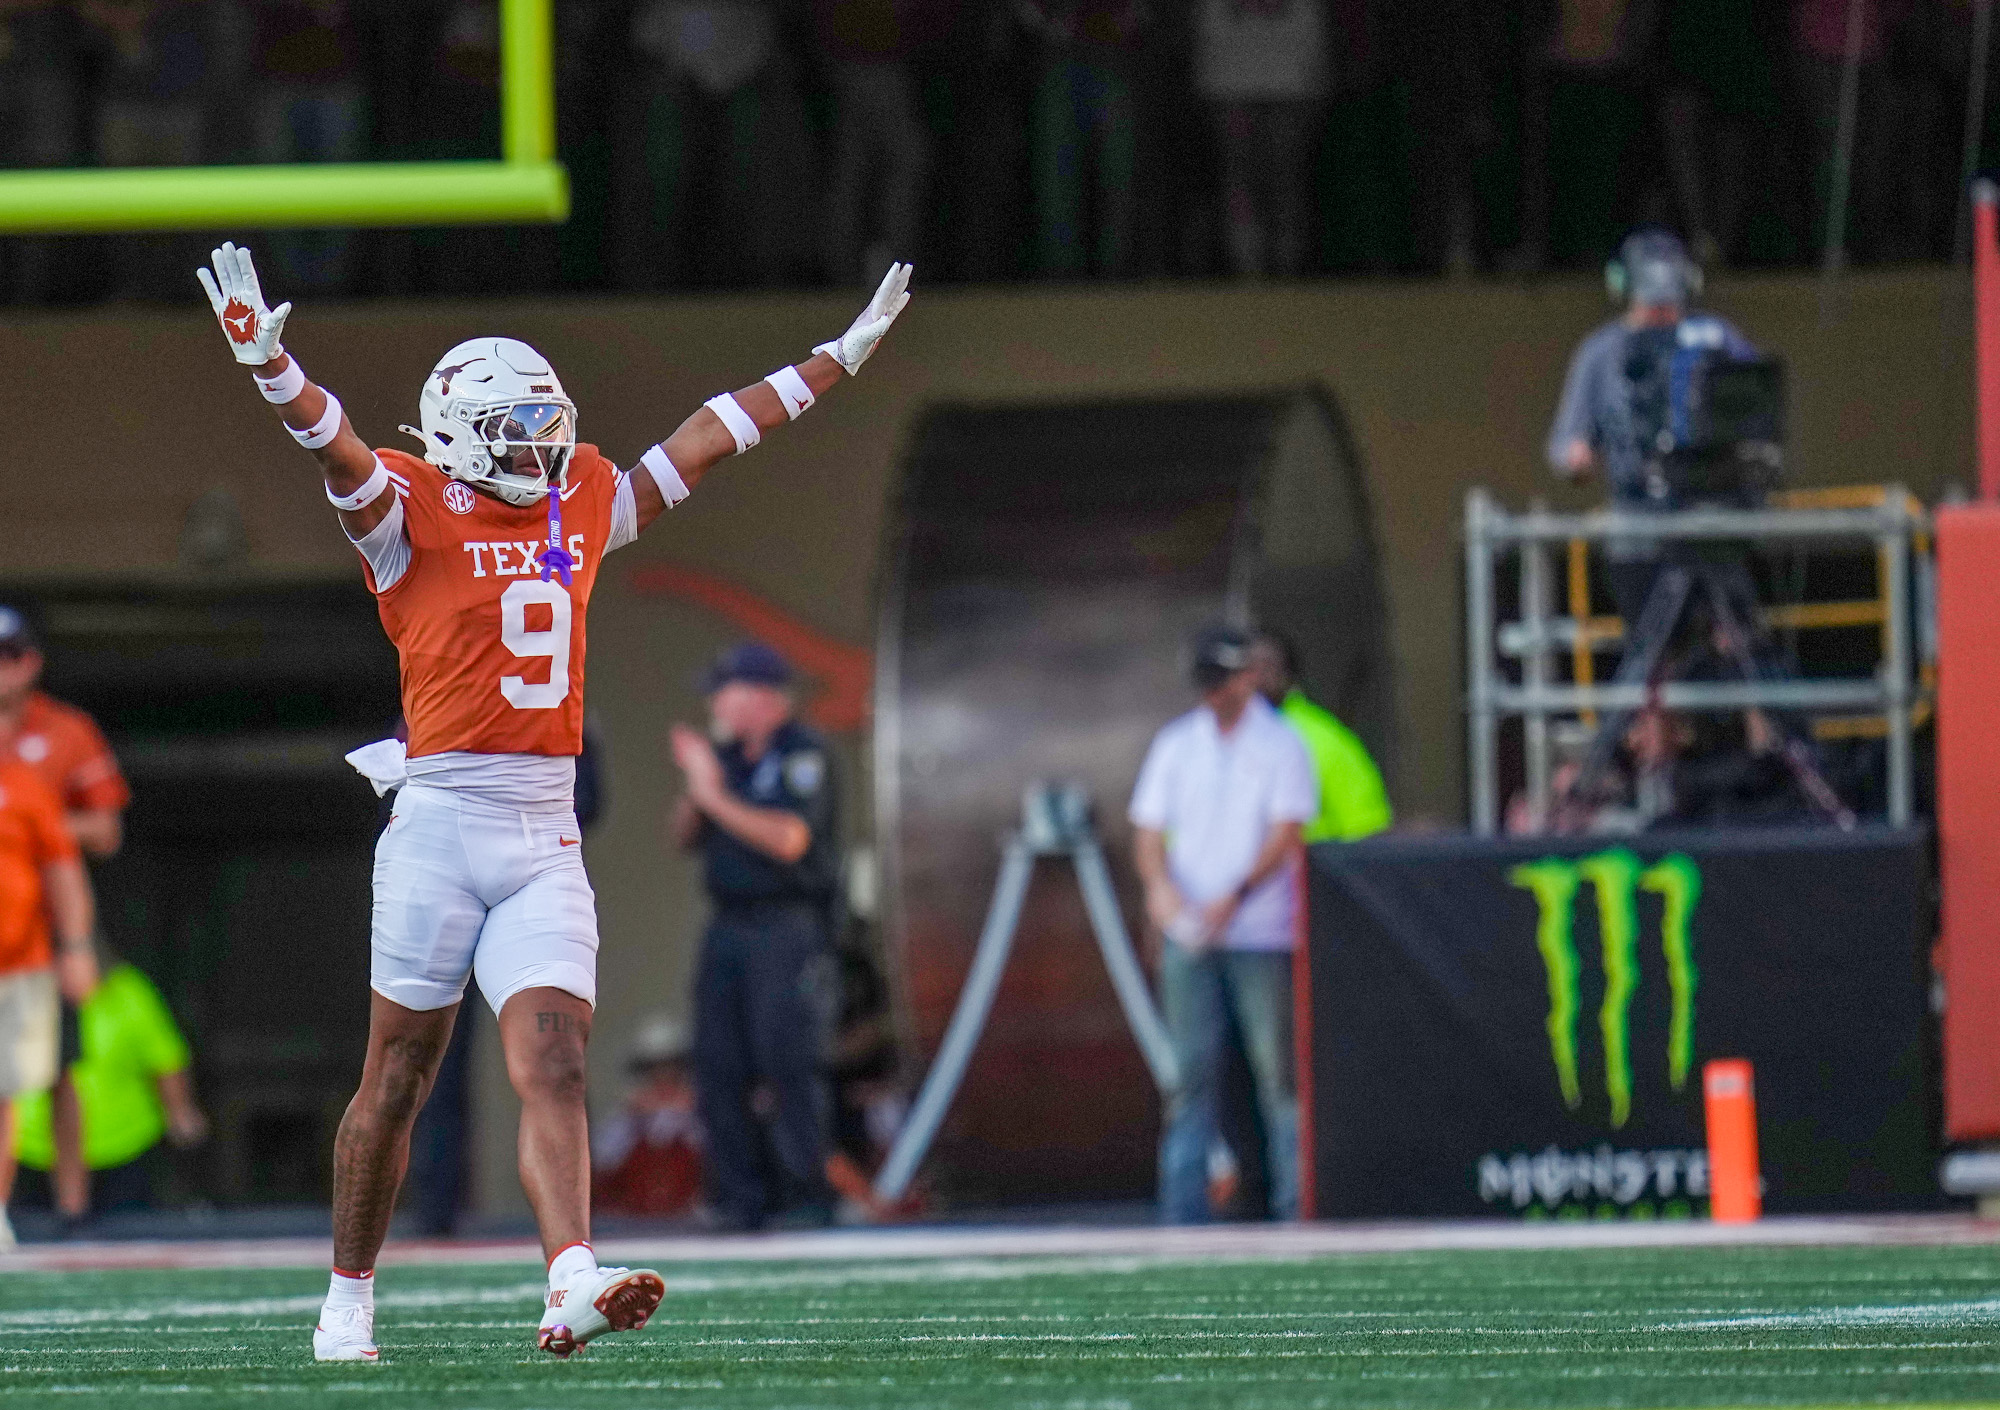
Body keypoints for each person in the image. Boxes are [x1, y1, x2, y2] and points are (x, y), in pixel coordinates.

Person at [193, 242, 911, 1360]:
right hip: (436, 824)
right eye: (517, 427)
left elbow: (703, 442)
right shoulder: (406, 508)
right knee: (396, 1078)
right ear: (460, 436)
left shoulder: (578, 496)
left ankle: (571, 1274)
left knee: (558, 1063)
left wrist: (832, 360)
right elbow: (331, 449)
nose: (544, 443)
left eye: (546, 419)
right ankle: (347, 1296)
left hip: (542, 831)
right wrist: (269, 370)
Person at [1130, 624, 1316, 1225]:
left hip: (1259, 931)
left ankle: (1293, 1206)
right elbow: (1149, 833)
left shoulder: (1282, 744)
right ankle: (1181, 1213)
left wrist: (1231, 897)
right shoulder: (1178, 743)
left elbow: (1286, 832)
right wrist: (1162, 892)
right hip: (1191, 931)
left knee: (1278, 1077)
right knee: (1189, 1076)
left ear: (1246, 677)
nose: (1212, 694)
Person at [670, 642, 841, 1231]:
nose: (715, 703)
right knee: (718, 1062)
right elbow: (683, 835)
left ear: (762, 697)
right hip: (728, 923)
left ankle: (806, 1196)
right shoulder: (727, 757)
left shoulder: (805, 753)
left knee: (788, 1058)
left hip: (786, 925)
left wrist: (714, 793)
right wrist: (700, 782)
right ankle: (739, 1198)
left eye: (725, 690)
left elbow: (790, 839)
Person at [1546, 228, 1756, 631]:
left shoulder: (1714, 339)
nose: (1660, 318)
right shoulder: (1601, 352)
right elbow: (1566, 442)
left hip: (1711, 522)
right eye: (1650, 306)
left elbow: (1759, 406)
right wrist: (1577, 456)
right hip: (1636, 530)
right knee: (1655, 649)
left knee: (1732, 643)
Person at [10, 951, 207, 1216]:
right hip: (31, 1150)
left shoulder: (127, 989)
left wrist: (180, 1113)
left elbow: (166, 1059)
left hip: (124, 1147)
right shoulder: (17, 991)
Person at [0, 759, 97, 1250]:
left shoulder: (21, 782)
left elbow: (64, 862)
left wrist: (76, 945)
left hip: (17, 961)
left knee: (5, 1091)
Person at [1248, 632, 1390, 843]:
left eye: (1268, 666)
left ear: (1289, 675)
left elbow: (1367, 827)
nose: (1257, 677)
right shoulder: (1210, 737)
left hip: (1310, 868)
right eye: (1249, 668)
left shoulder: (1321, 738)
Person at [591, 1014, 704, 1219]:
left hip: (691, 1225)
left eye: (671, 1068)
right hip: (631, 1227)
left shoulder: (700, 1118)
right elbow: (599, 1166)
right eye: (655, 1070)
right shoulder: (624, 1121)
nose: (664, 1077)